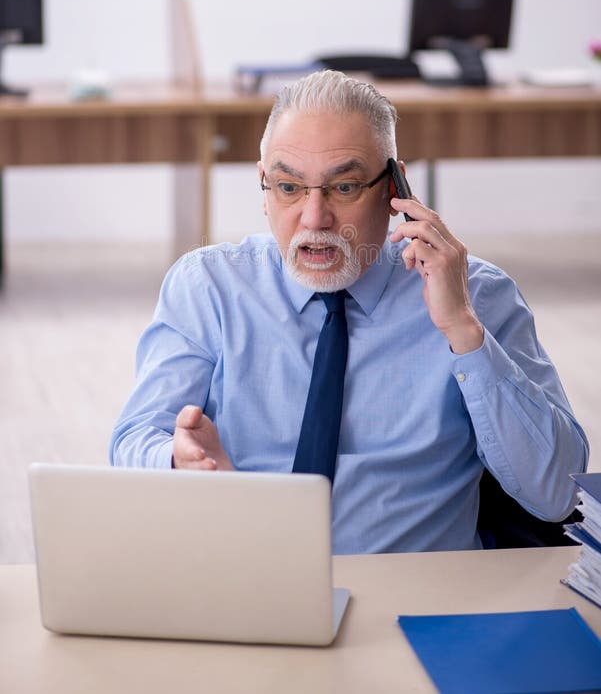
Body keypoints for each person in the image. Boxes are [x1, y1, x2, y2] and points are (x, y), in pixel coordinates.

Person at [110, 69, 588, 554]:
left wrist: (463, 331)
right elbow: (133, 439)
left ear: (393, 187)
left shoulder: (477, 296)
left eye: (344, 188)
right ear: (263, 185)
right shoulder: (208, 287)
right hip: (247, 580)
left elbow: (556, 495)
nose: (314, 219)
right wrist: (177, 460)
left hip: (421, 597)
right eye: (289, 188)